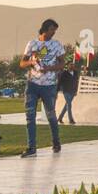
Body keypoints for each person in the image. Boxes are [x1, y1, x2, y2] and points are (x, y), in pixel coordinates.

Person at [19, 19, 65, 157]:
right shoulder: (32, 44)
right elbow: (22, 63)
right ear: (44, 29)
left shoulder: (57, 45)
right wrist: (31, 62)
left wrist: (49, 68)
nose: (53, 33)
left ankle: (56, 142)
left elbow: (62, 63)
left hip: (49, 85)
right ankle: (31, 147)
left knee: (51, 115)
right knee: (30, 115)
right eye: (51, 30)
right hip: (32, 84)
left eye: (55, 30)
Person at [57, 60, 78, 125]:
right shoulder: (64, 73)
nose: (72, 66)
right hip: (66, 91)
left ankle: (60, 118)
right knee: (69, 104)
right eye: (70, 64)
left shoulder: (75, 72)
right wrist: (57, 90)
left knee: (67, 105)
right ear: (68, 66)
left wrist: (75, 90)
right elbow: (60, 82)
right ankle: (71, 119)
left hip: (72, 92)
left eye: (72, 64)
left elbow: (76, 82)